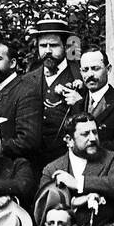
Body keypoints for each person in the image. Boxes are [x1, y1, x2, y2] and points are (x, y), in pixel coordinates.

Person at [38, 115, 114, 226]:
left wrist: (79, 183)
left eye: (94, 132)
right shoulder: (52, 169)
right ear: (69, 140)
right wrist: (75, 201)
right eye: (85, 134)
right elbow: (42, 210)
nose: (93, 138)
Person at [25, 18, 82, 169]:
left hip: (68, 158)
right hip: (34, 160)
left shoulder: (80, 77)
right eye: (43, 46)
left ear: (66, 46)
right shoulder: (27, 79)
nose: (48, 51)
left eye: (54, 45)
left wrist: (79, 102)